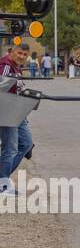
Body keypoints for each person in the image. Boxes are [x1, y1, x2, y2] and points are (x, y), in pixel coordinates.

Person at [0, 42, 34, 197]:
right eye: (19, 53)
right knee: (10, 149)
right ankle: (3, 184)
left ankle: (2, 178)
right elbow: (2, 88)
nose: (22, 57)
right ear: (11, 51)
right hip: (6, 112)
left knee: (26, 144)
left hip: (17, 111)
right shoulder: (6, 65)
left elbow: (18, 88)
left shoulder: (16, 67)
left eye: (25, 55)